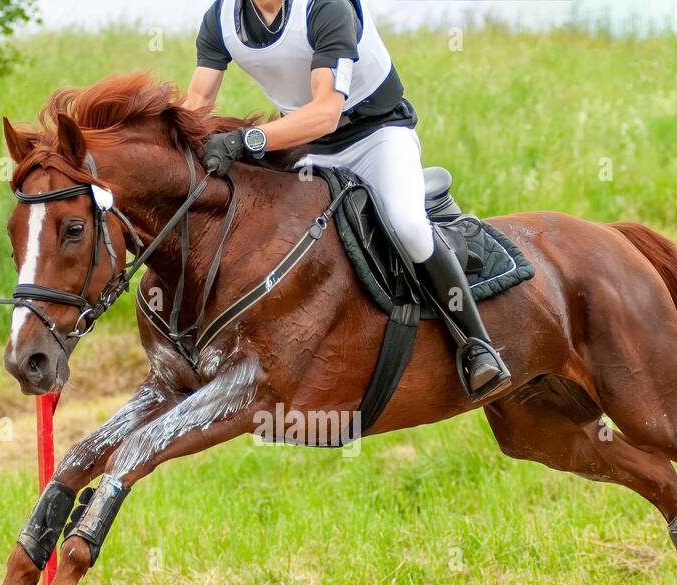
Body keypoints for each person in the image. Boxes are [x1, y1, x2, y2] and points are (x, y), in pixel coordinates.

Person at [183, 0, 511, 399]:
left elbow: (325, 112)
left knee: (408, 225)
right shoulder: (220, 20)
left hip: (374, 134)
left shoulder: (326, 7)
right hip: (304, 146)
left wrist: (247, 140)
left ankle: (477, 346)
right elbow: (196, 104)